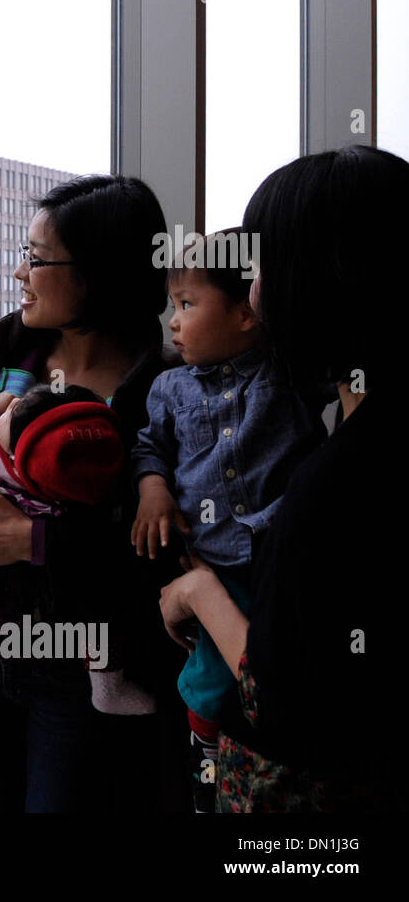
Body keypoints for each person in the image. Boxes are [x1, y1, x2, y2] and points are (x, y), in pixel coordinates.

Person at [0, 175, 186, 812]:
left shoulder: (166, 390)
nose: (21, 274)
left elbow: (165, 545)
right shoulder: (6, 354)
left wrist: (37, 540)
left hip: (76, 666)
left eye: (37, 259)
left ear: (99, 273)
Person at [159, 146, 403, 811]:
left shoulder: (339, 482)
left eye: (264, 268)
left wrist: (200, 591)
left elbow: (285, 702)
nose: (255, 293)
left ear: (322, 283)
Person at [130, 231, 327, 811]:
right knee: (210, 679)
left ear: (247, 312)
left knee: (256, 679)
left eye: (188, 305)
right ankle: (206, 759)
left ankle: (224, 761)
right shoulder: (168, 387)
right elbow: (149, 448)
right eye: (172, 305)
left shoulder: (285, 375)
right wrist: (152, 487)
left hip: (274, 562)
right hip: (209, 561)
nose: (173, 321)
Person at [0, 383, 155, 715]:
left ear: (12, 451)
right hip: (46, 638)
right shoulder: (73, 479)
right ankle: (108, 683)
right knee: (96, 611)